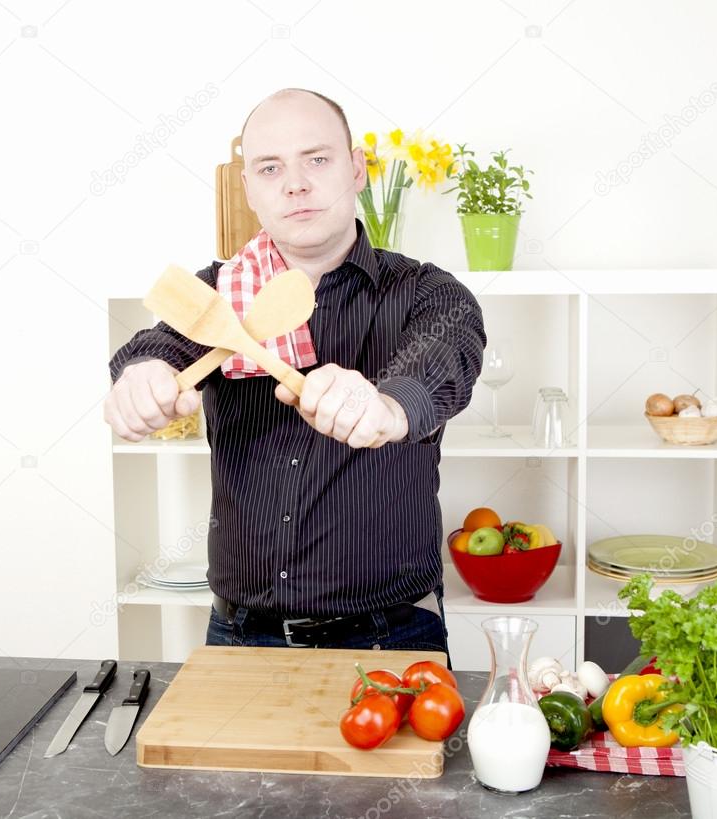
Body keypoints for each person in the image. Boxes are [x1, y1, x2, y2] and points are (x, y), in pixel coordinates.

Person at [105, 88, 486, 661]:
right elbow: (159, 342)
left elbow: (441, 363)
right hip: (239, 638)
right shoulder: (219, 294)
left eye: (317, 159)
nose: (296, 184)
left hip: (392, 639)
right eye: (270, 167)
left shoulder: (428, 294)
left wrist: (385, 406)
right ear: (250, 190)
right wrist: (142, 375)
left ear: (355, 169)